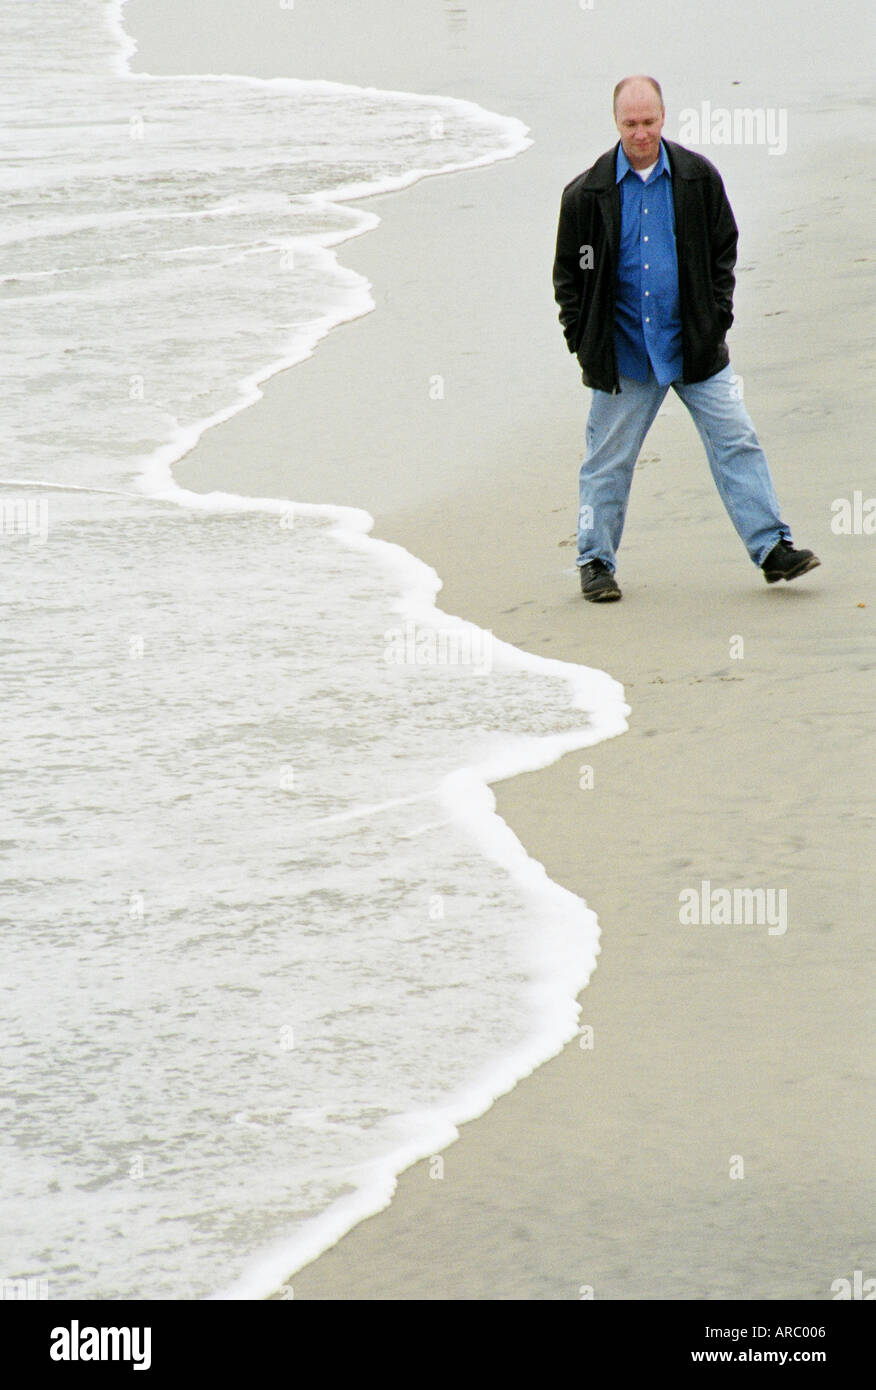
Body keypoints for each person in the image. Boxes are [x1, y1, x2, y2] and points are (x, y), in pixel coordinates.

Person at [553, 75, 820, 602]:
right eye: (630, 124)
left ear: (663, 116)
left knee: (737, 440)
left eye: (649, 122)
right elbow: (571, 274)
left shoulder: (698, 179)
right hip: (624, 355)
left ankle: (772, 550)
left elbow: (724, 249)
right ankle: (595, 562)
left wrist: (717, 316)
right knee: (606, 462)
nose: (641, 133)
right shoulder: (585, 195)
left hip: (696, 348)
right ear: (616, 123)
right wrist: (582, 340)